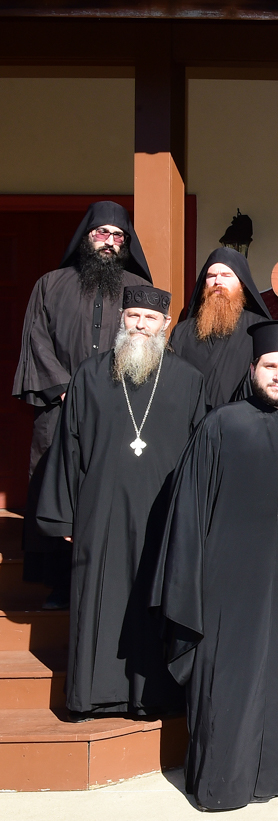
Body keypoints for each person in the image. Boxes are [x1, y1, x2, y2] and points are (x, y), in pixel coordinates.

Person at [153, 319, 278, 811]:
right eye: (270, 366)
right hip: (228, 579)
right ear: (253, 369)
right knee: (228, 679)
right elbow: (189, 507)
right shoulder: (220, 423)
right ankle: (224, 782)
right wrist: (191, 578)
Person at [35, 285, 203, 720]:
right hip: (100, 511)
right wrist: (65, 513)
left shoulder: (188, 379)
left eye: (149, 319)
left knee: (153, 600)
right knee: (99, 599)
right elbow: (68, 448)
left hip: (163, 513)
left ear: (165, 326)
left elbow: (201, 456)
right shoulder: (90, 375)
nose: (140, 325)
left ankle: (153, 698)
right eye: (132, 317)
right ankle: (92, 695)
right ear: (120, 322)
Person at [12, 201, 152, 606]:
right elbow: (36, 340)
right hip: (58, 408)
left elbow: (144, 345)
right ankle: (56, 581)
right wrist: (64, 388)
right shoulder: (50, 284)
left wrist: (108, 392)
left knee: (104, 486)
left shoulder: (134, 288)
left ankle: (105, 577)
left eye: (118, 236)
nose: (109, 242)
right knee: (54, 485)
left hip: (115, 408)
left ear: (126, 244)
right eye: (101, 233)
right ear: (86, 237)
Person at [170, 247, 272, 409]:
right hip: (190, 421)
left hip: (240, 422)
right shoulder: (182, 332)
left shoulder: (260, 330)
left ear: (242, 284)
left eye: (226, 275)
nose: (218, 281)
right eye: (211, 276)